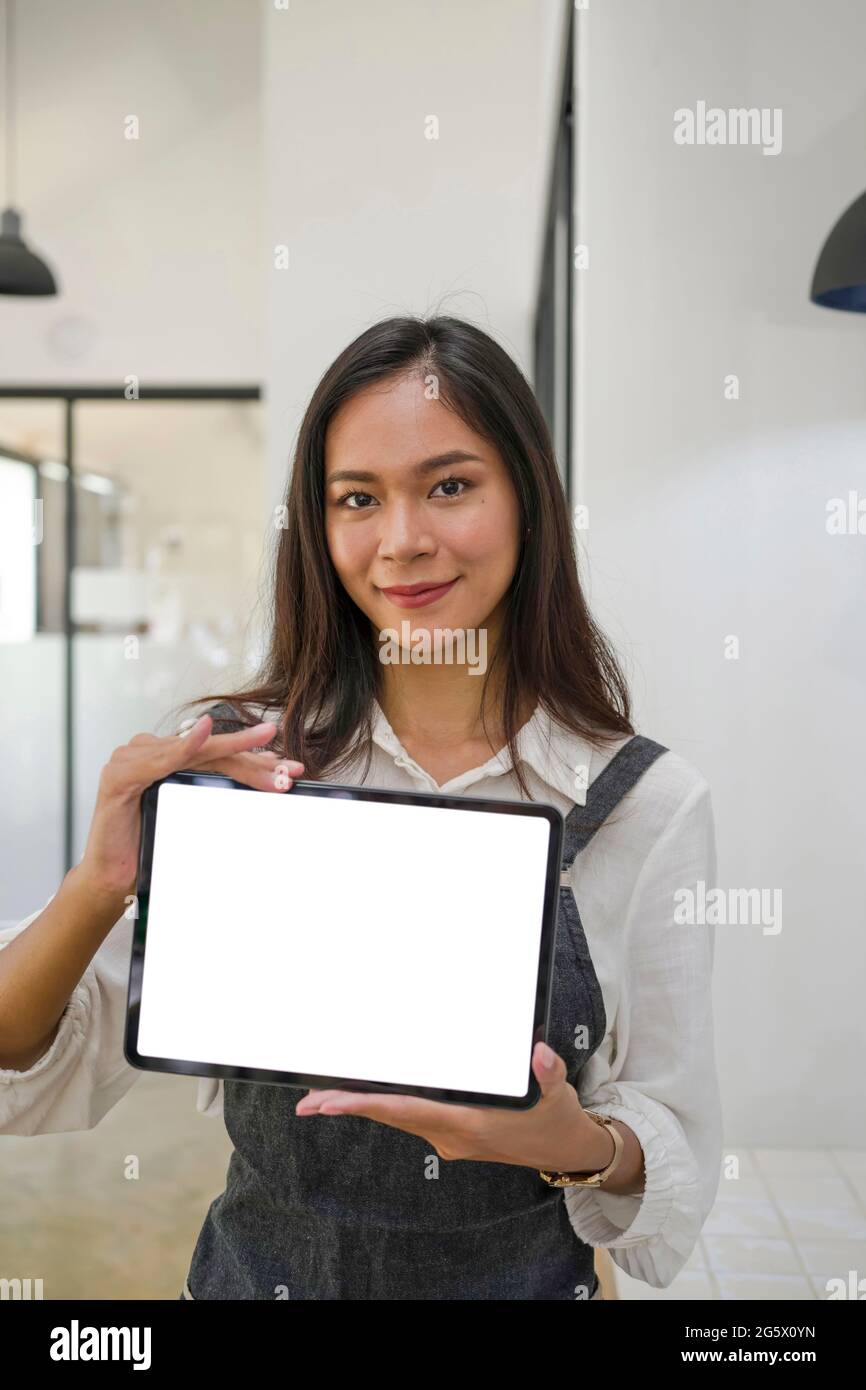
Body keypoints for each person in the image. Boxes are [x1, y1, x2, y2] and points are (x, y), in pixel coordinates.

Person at [0, 315, 722, 1300]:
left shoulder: (644, 805)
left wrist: (578, 1143)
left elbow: (670, 1149)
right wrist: (96, 886)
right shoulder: (244, 762)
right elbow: (27, 1060)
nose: (402, 540)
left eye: (449, 485)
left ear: (528, 500)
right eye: (356, 498)